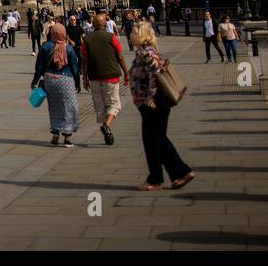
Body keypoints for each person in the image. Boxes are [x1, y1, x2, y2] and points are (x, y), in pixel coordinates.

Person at [128, 22, 194, 191]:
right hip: (153, 102)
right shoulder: (149, 51)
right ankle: (179, 173)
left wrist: (149, 98)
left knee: (152, 140)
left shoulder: (145, 53)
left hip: (152, 102)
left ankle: (156, 179)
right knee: (158, 139)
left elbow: (154, 74)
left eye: (133, 32)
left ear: (139, 35)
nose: (130, 35)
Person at [81, 12, 130, 145]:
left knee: (99, 105)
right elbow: (120, 57)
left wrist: (84, 79)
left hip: (94, 77)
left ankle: (105, 128)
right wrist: (126, 73)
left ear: (94, 25)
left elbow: (85, 61)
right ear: (104, 24)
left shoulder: (87, 39)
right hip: (111, 76)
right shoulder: (111, 37)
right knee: (114, 104)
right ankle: (107, 125)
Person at [31, 22, 81, 148]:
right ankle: (67, 137)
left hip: (49, 80)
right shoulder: (68, 48)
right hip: (65, 79)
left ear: (52, 33)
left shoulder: (45, 47)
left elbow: (39, 67)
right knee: (69, 106)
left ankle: (55, 133)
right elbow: (75, 67)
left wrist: (35, 81)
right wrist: (78, 82)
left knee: (54, 106)